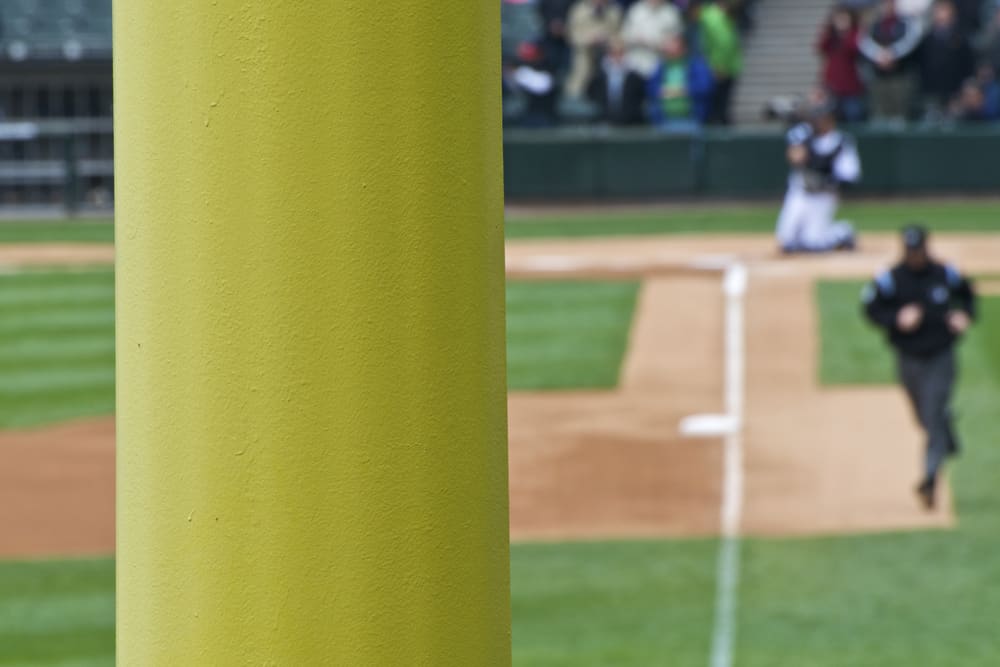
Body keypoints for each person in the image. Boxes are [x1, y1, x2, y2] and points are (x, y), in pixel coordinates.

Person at [862, 225, 977, 510]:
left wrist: (965, 315)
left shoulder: (944, 273)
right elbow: (870, 308)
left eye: (919, 250)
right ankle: (947, 436)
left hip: (941, 356)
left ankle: (928, 479)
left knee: (933, 412)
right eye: (911, 251)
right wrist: (896, 318)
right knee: (924, 417)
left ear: (927, 248)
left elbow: (968, 295)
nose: (915, 256)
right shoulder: (891, 278)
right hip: (908, 358)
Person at [774, 101, 860, 253]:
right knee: (786, 241)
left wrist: (826, 182)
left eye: (824, 118)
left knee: (813, 244)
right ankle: (808, 234)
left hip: (823, 196)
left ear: (831, 120)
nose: (820, 122)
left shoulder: (840, 142)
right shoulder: (805, 134)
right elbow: (794, 154)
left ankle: (843, 232)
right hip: (800, 192)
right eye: (818, 118)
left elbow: (850, 176)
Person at [859, 0, 924, 122]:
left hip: (900, 74)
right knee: (880, 112)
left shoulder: (905, 24)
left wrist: (892, 55)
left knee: (899, 114)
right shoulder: (875, 25)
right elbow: (865, 44)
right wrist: (879, 56)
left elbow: (910, 43)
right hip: (879, 75)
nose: (887, 7)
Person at [918, 0, 975, 121]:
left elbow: (968, 63)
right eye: (939, 11)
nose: (942, 14)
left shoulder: (960, 37)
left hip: (955, 90)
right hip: (932, 90)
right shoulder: (927, 39)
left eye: (945, 10)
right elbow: (922, 64)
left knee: (953, 121)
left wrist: (966, 85)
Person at [646, 34, 715, 130]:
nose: (669, 51)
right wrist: (663, 91)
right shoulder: (660, 67)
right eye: (668, 49)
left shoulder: (696, 65)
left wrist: (682, 90)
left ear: (683, 49)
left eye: (674, 48)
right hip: (664, 121)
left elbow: (705, 86)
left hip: (691, 121)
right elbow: (651, 88)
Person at [691, 0, 743, 125]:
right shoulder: (712, 17)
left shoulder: (719, 17)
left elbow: (727, 43)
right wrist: (718, 65)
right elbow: (721, 43)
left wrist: (723, 65)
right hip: (719, 68)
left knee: (721, 107)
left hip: (725, 68)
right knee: (717, 109)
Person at [817, 6, 867, 122]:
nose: (841, 22)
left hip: (851, 84)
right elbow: (821, 47)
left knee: (853, 114)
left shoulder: (855, 34)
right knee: (830, 117)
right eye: (839, 19)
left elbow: (853, 48)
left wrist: (848, 33)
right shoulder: (831, 36)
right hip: (831, 84)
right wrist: (829, 31)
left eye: (844, 19)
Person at [565, 0, 624, 98]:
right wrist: (589, 40)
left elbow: (619, 34)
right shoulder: (579, 9)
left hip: (608, 51)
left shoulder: (614, 11)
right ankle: (574, 98)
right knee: (582, 69)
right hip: (584, 50)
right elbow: (572, 35)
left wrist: (607, 40)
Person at [587, 37, 648, 125]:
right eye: (613, 53)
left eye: (620, 53)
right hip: (605, 121)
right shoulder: (599, 76)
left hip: (630, 123)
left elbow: (640, 97)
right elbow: (591, 93)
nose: (617, 57)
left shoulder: (635, 77)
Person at [621, 0, 685, 77]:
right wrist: (637, 39)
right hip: (635, 64)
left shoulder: (671, 13)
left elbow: (676, 43)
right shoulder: (636, 10)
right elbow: (625, 35)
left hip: (659, 64)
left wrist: (655, 43)